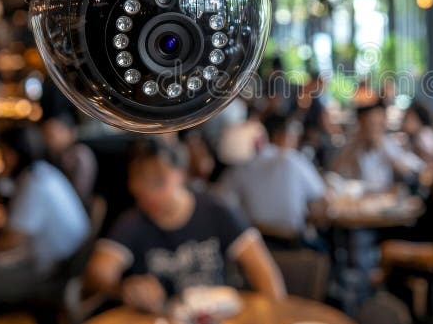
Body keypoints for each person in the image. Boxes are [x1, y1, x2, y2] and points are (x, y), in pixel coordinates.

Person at [86, 138, 285, 312]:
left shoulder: (218, 211)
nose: (150, 193)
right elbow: (98, 273)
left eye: (158, 181)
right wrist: (125, 287)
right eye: (140, 182)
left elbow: (267, 277)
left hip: (216, 319)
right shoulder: (133, 222)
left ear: (181, 174)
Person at [0, 125, 89, 304]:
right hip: (62, 266)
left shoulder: (33, 184)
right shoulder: (42, 172)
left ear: (12, 155)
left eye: (1, 152)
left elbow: (10, 242)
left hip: (50, 276)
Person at [217, 114, 326, 246]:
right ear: (274, 136)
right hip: (293, 245)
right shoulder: (292, 159)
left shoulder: (238, 170)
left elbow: (222, 201)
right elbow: (320, 193)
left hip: (256, 246)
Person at [330, 100, 424, 191]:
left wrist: (383, 148)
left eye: (379, 125)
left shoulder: (389, 144)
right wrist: (353, 147)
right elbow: (336, 174)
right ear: (362, 125)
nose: (375, 129)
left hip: (386, 197)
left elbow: (409, 172)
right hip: (363, 198)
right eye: (372, 124)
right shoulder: (353, 145)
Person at [41, 112, 98, 203]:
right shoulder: (53, 156)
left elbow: (79, 194)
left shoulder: (80, 154)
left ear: (69, 132)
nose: (50, 141)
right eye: (46, 136)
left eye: (53, 135)